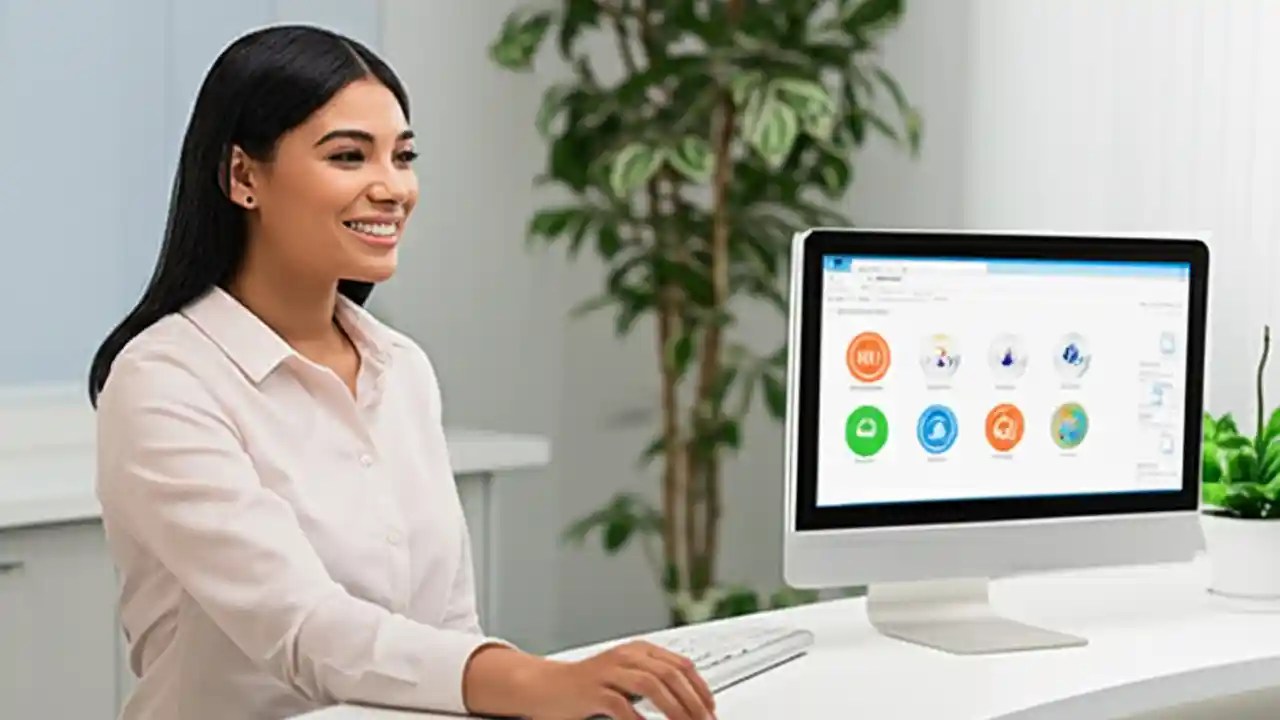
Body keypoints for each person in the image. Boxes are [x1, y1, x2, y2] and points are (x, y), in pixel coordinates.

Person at [88, 24, 715, 720]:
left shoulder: (403, 369)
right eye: (349, 156)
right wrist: (537, 682)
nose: (393, 189)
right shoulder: (163, 380)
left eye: (404, 156)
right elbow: (303, 629)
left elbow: (449, 628)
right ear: (243, 177)